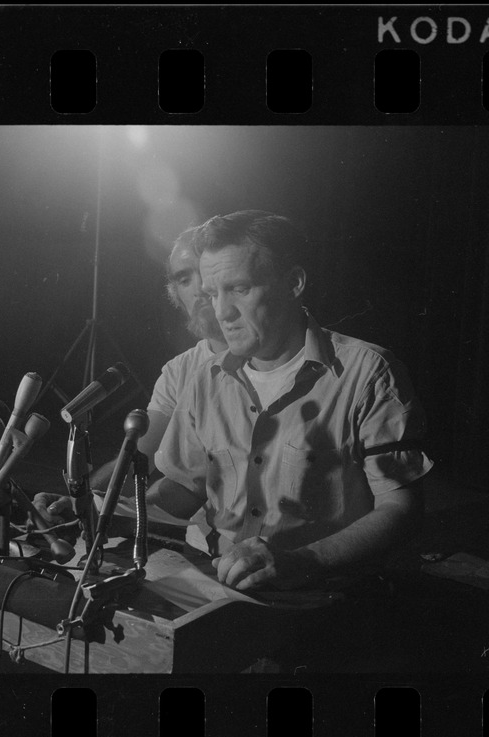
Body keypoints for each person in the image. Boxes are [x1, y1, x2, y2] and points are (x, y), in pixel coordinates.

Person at [149, 210, 433, 593]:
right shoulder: (206, 379)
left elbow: (401, 509)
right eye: (213, 294)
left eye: (239, 289)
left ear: (294, 283)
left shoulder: (368, 374)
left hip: (320, 596)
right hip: (214, 582)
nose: (222, 312)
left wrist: (302, 562)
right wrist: (103, 513)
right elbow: (184, 487)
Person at [33, 226, 227, 543]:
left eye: (205, 272)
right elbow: (140, 455)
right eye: (183, 279)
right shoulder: (180, 371)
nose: (199, 290)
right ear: (174, 294)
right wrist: (88, 503)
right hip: (206, 554)